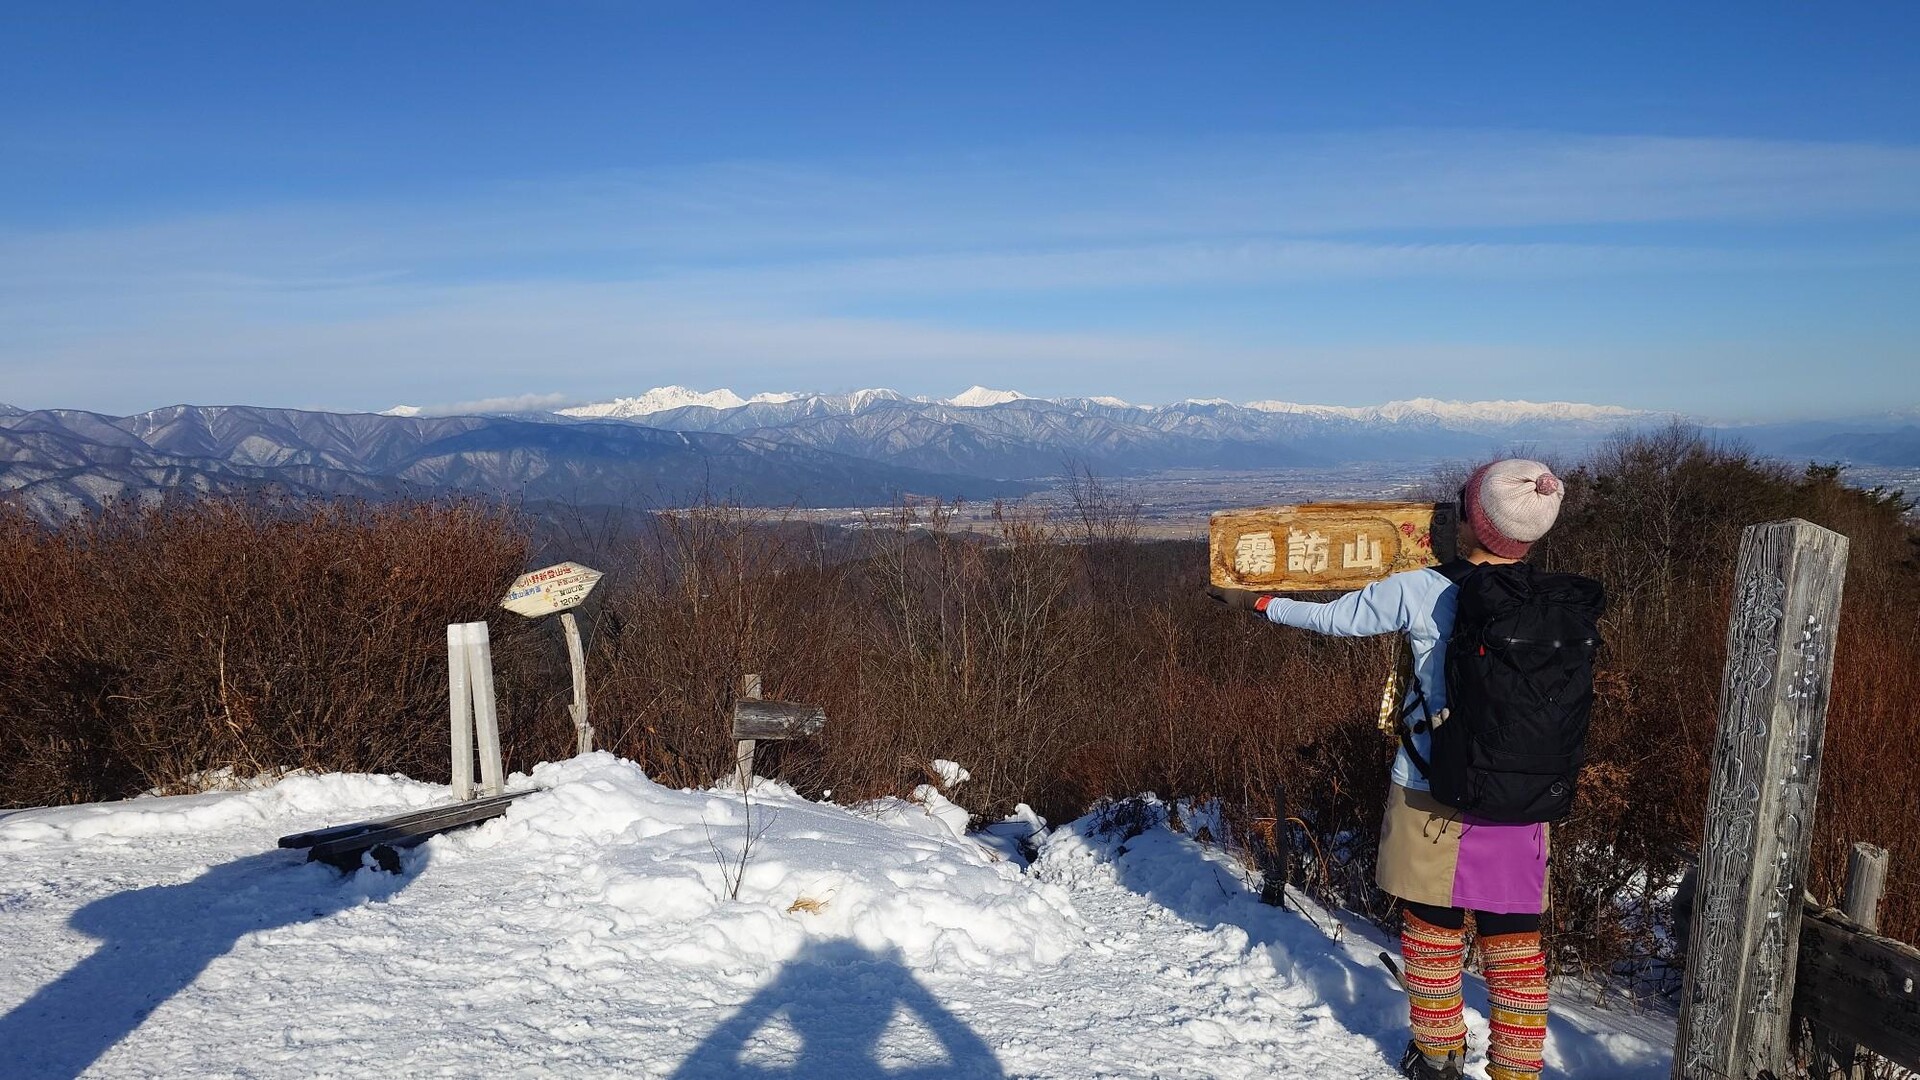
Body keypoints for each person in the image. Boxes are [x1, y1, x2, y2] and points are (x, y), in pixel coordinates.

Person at [1210, 458, 1567, 1080]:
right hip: (1523, 791)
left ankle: (1438, 1056)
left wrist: (1258, 600)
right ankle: (1518, 1071)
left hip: (1431, 784)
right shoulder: (1557, 604)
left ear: (1471, 521)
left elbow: (1329, 618)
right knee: (1515, 948)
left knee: (1433, 929)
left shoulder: (1424, 588)